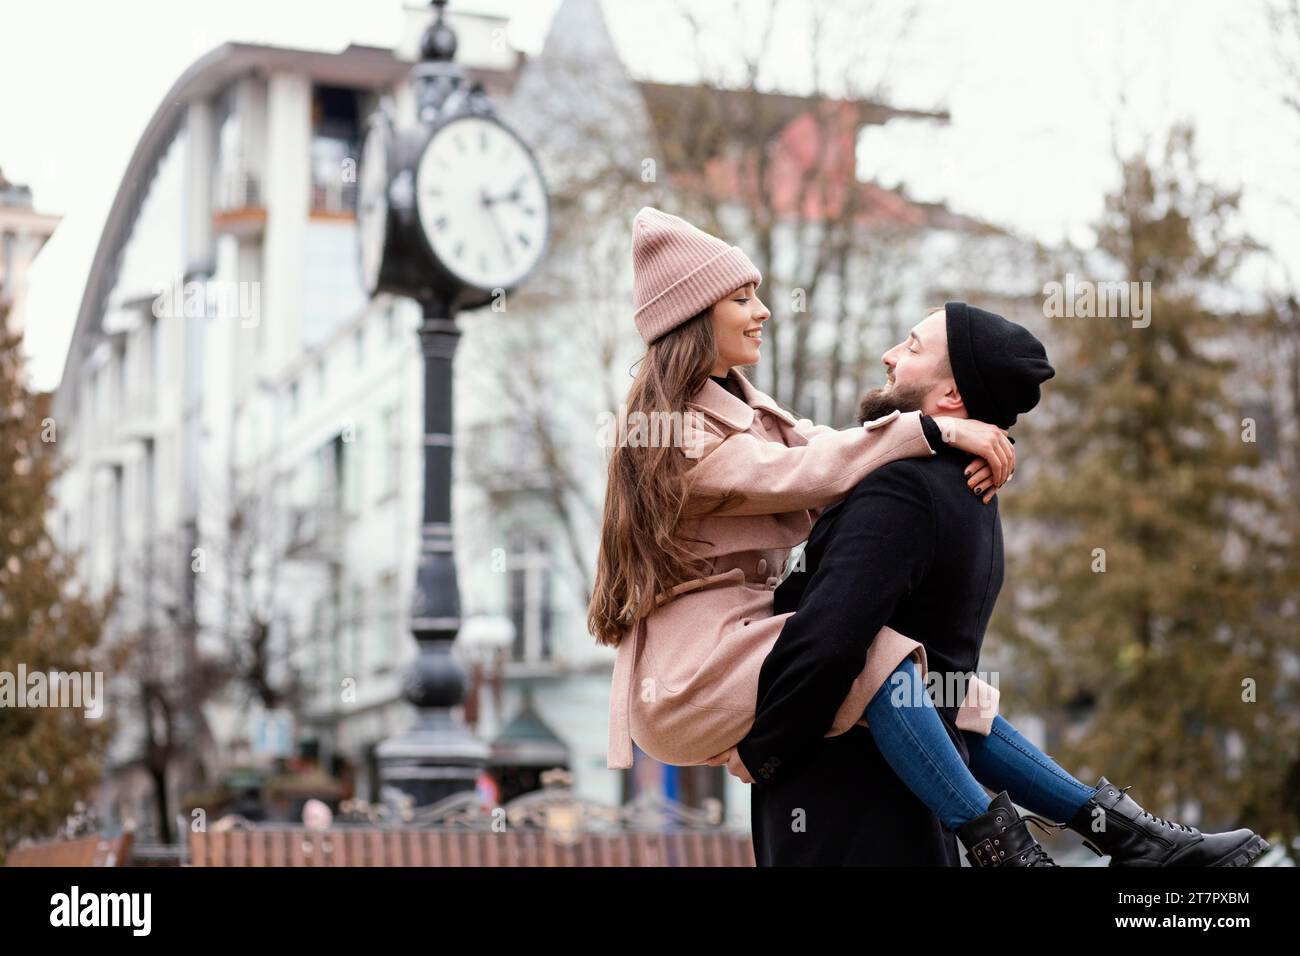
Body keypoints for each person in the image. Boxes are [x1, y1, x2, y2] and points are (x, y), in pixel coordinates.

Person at [728, 300, 1271, 867]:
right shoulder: (970, 494)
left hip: (846, 825)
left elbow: (828, 643)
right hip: (912, 818)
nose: (889, 356)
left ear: (952, 399)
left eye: (912, 348)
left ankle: (1101, 845)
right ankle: (1135, 841)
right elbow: (950, 695)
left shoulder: (903, 491)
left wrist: (759, 749)